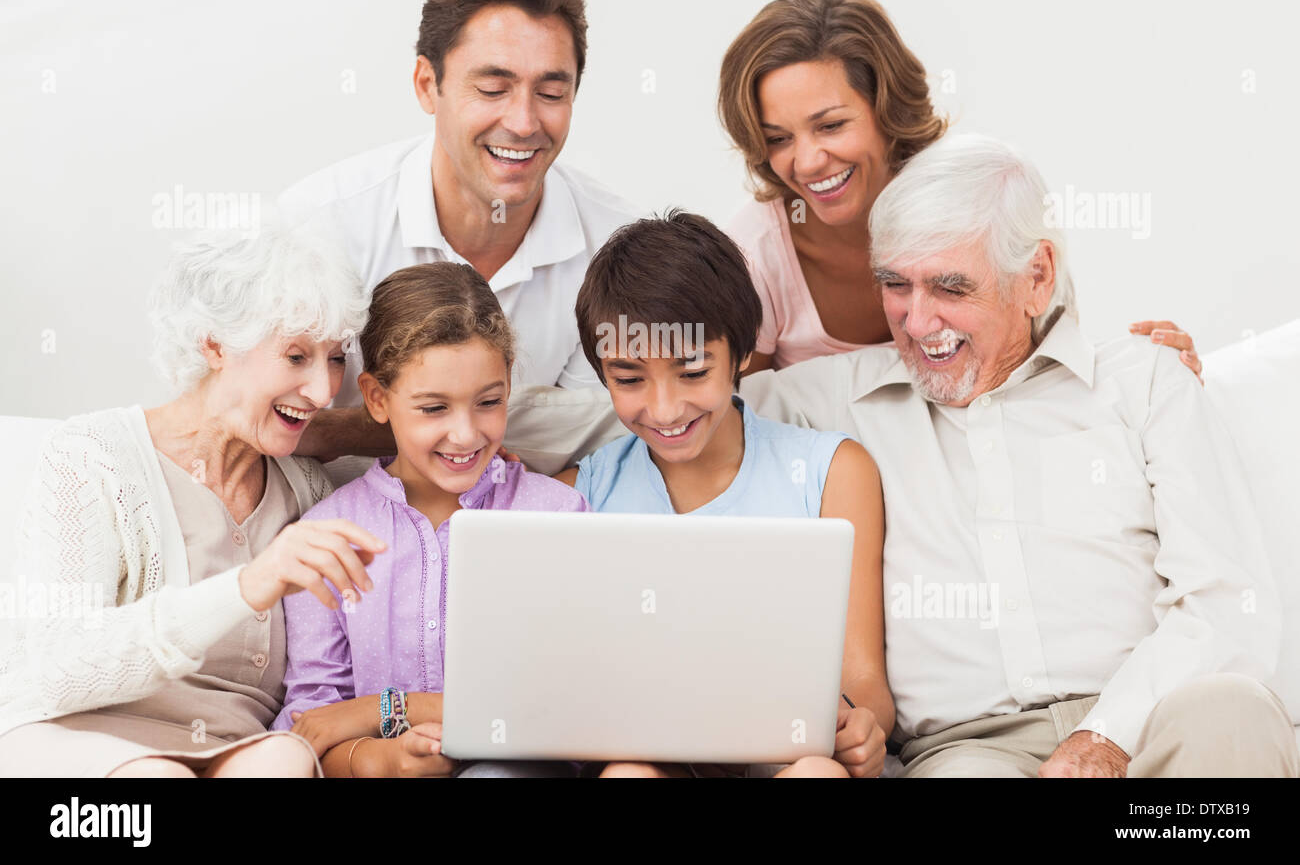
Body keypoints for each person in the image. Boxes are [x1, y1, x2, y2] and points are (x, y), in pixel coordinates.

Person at [501, 134, 1298, 777]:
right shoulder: (827, 398)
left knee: (1230, 710)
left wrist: (1105, 739)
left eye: (950, 287)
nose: (918, 323)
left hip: (1148, 723)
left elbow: (1226, 602)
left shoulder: (1143, 382)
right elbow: (651, 409)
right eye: (896, 286)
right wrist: (437, 421)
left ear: (1036, 276)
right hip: (972, 751)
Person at [0, 227, 386, 777]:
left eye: (334, 359)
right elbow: (53, 666)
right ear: (214, 344)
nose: (324, 391)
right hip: (71, 742)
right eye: (296, 355)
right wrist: (244, 587)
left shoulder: (310, 489)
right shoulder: (93, 456)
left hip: (230, 756)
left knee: (284, 760)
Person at [717, 0, 1201, 377]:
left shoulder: (981, 200)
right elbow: (743, 430)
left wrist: (1153, 375)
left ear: (885, 110)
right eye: (777, 138)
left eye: (830, 126)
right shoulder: (755, 256)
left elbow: (1053, 370)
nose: (805, 162)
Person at [553, 211, 888, 778]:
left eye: (692, 372)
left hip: (787, 762)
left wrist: (861, 724)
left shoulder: (833, 473)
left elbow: (863, 679)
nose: (664, 410)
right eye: (630, 380)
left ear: (741, 355)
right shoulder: (577, 496)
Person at [281, 0, 643, 460]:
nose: (523, 122)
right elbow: (253, 422)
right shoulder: (317, 228)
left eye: (551, 93)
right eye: (493, 88)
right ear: (428, 86)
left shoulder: (620, 252)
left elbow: (591, 449)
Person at [274, 262, 588, 777]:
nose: (464, 435)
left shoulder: (556, 517)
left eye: (489, 402)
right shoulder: (328, 535)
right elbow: (312, 726)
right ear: (377, 399)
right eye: (434, 408)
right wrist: (383, 759)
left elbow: (572, 707)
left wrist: (386, 709)